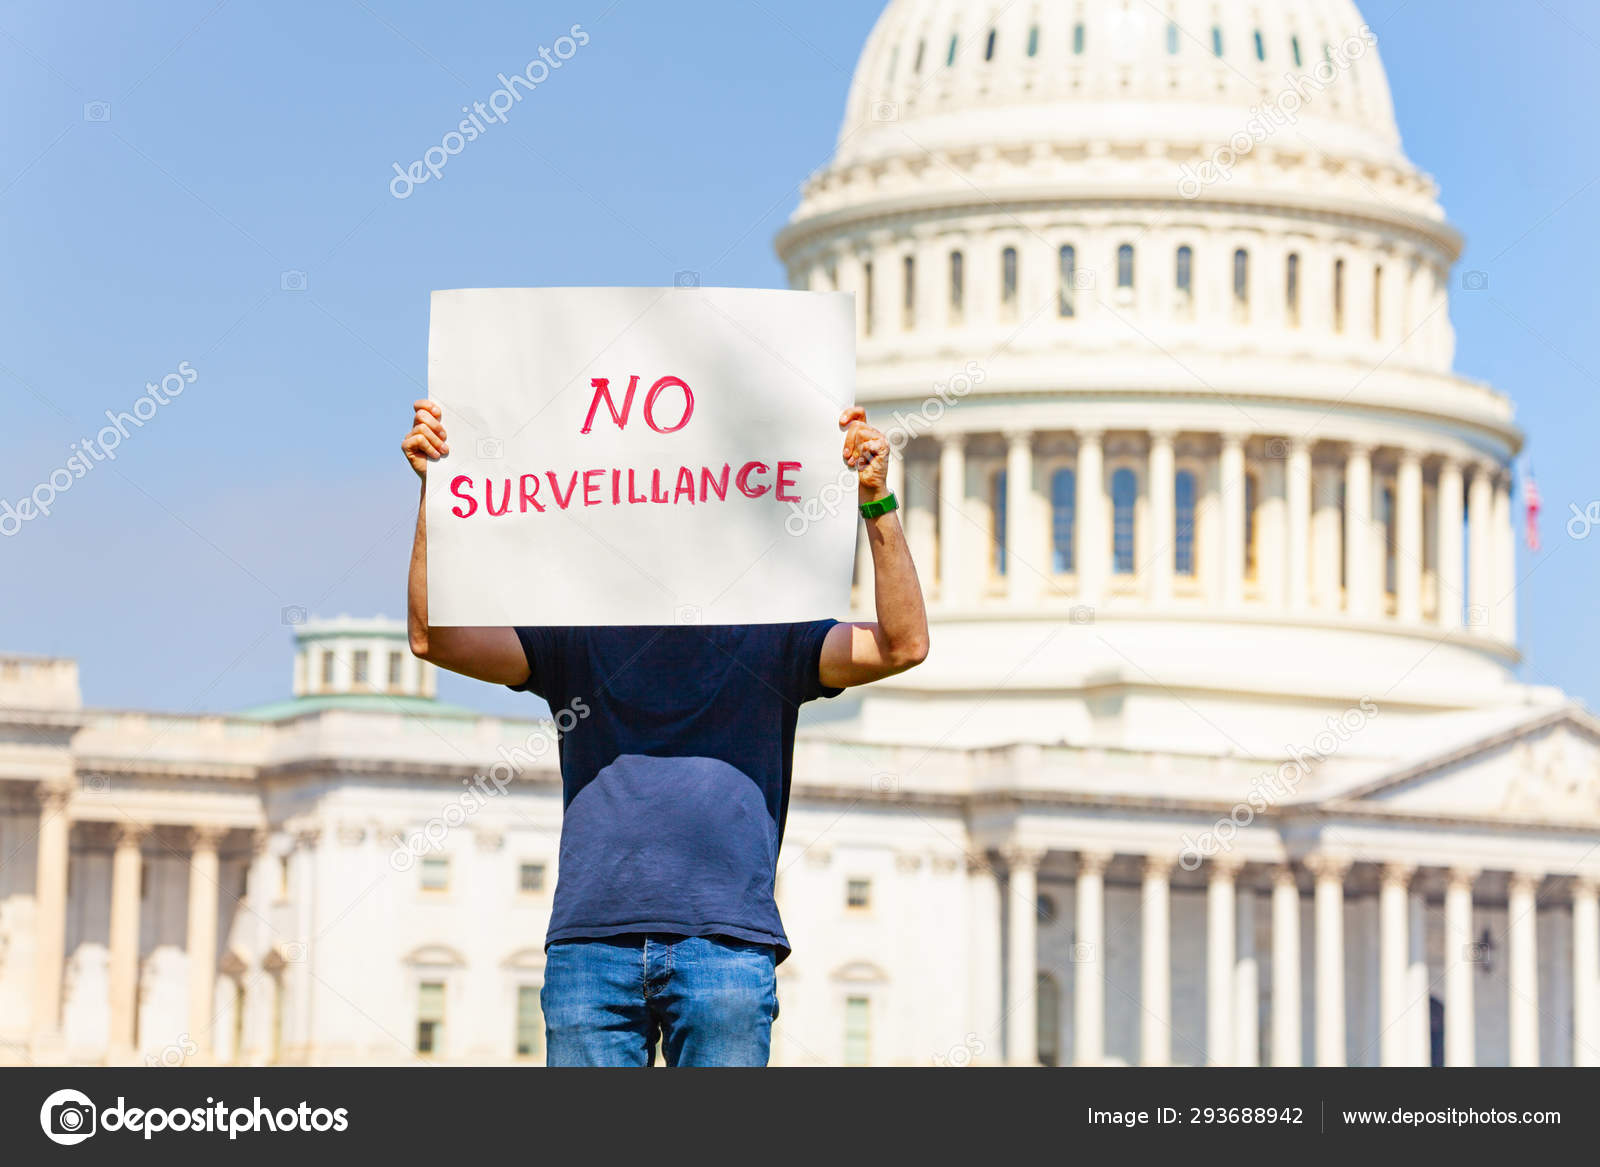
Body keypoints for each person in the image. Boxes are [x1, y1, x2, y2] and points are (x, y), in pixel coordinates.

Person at [401, 398, 928, 1066]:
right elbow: (432, 636)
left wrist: (877, 502)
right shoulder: (578, 637)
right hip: (593, 948)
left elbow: (903, 644)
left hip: (725, 947)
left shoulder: (775, 640)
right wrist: (435, 489)